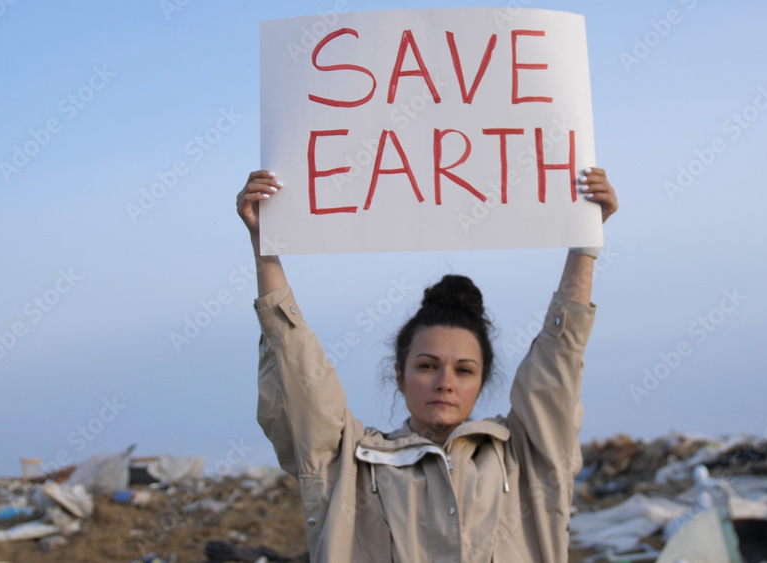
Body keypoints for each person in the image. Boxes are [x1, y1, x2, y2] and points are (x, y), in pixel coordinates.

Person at [237, 167, 618, 562]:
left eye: (464, 370)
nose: (445, 382)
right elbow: (300, 375)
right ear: (398, 376)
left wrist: (584, 246)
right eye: (426, 366)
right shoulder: (348, 464)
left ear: (484, 381)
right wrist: (265, 248)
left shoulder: (526, 458)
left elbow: (559, 363)